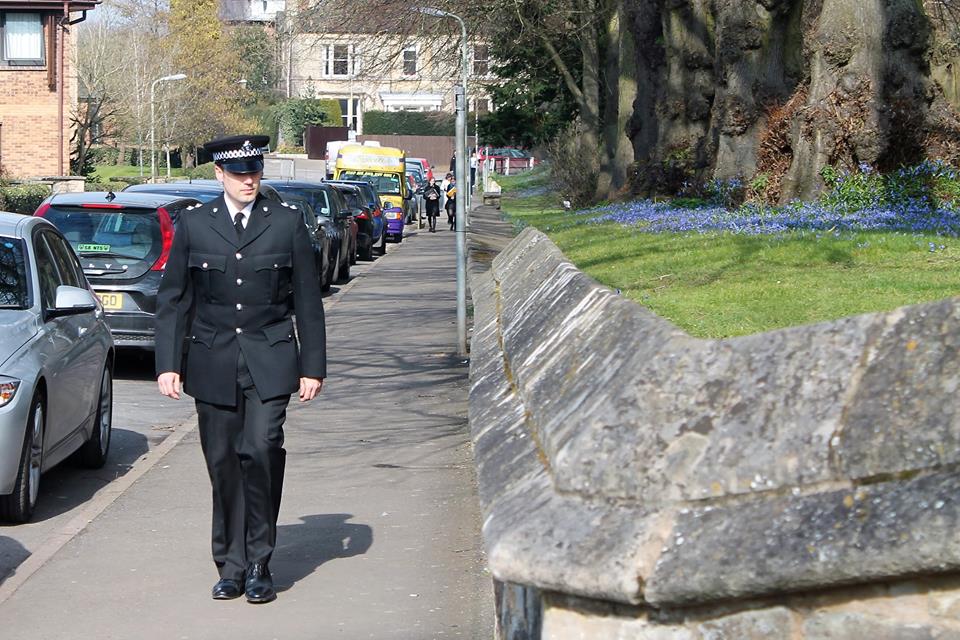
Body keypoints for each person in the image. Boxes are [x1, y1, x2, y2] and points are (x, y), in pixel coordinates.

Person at [154, 135, 326, 605]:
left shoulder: (286, 223)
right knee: (224, 462)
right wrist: (168, 363)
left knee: (262, 448)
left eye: (255, 172)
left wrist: (313, 366)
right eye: (239, 174)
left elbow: (308, 303)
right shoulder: (193, 224)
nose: (249, 180)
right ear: (220, 176)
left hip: (269, 359)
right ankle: (229, 566)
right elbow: (174, 300)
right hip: (212, 360)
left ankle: (258, 563)